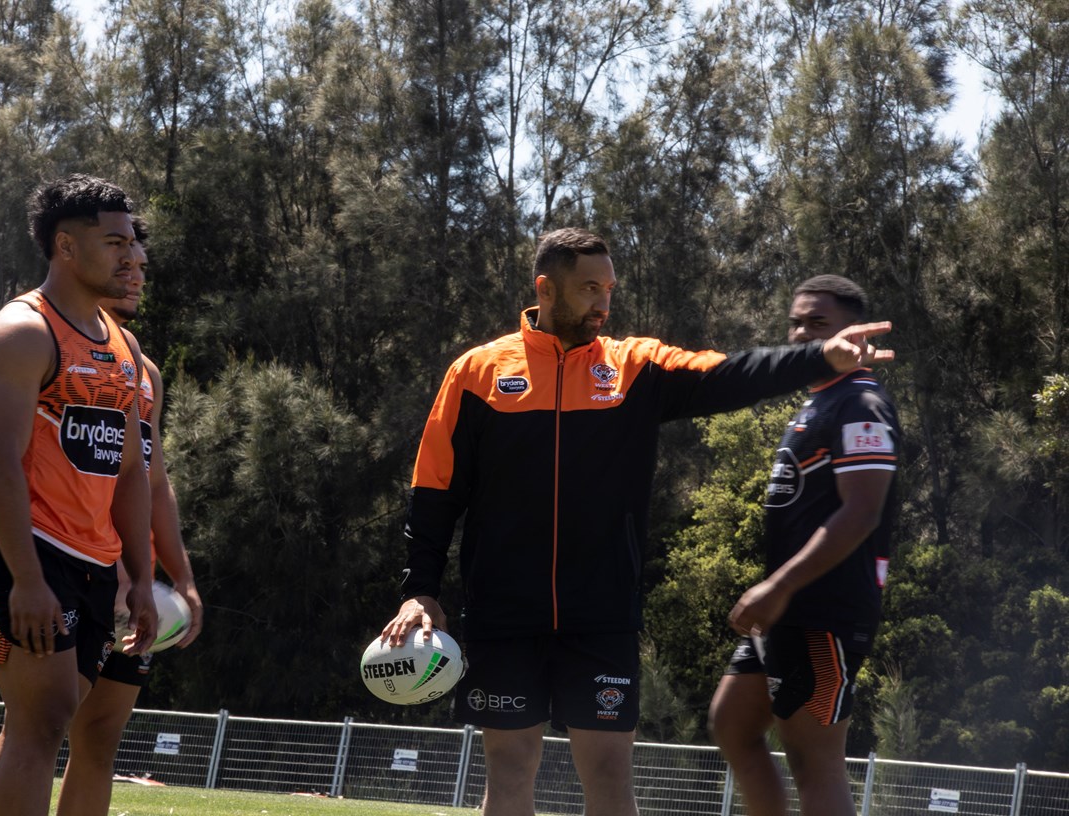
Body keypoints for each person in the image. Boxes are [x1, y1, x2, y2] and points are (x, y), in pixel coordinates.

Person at [380, 229, 894, 816]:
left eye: (609, 289)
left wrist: (817, 357)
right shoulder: (476, 373)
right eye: (589, 288)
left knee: (607, 774)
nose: (603, 302)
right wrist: (418, 590)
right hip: (503, 613)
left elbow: (729, 373)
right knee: (511, 769)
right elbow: (434, 489)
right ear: (545, 289)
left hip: (603, 615)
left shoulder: (634, 367)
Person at [0, 174, 158, 816]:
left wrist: (139, 576)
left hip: (96, 561)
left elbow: (133, 473)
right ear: (65, 248)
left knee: (44, 721)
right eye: (114, 242)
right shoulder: (21, 331)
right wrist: (27, 580)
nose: (131, 256)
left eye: (132, 242)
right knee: (42, 722)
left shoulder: (124, 349)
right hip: (31, 549)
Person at [708, 275, 901, 816]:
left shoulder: (860, 402)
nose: (801, 333)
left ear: (854, 334)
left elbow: (861, 512)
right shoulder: (817, 403)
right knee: (732, 723)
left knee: (813, 759)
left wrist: (778, 585)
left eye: (818, 323)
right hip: (787, 611)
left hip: (825, 609)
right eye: (795, 322)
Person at [56, 218, 204, 816]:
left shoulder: (146, 373)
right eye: (121, 257)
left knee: (99, 739)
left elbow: (153, 481)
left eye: (140, 263)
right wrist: (108, 568)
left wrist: (180, 577)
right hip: (73, 564)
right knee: (35, 732)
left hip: (131, 582)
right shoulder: (48, 339)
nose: (134, 273)